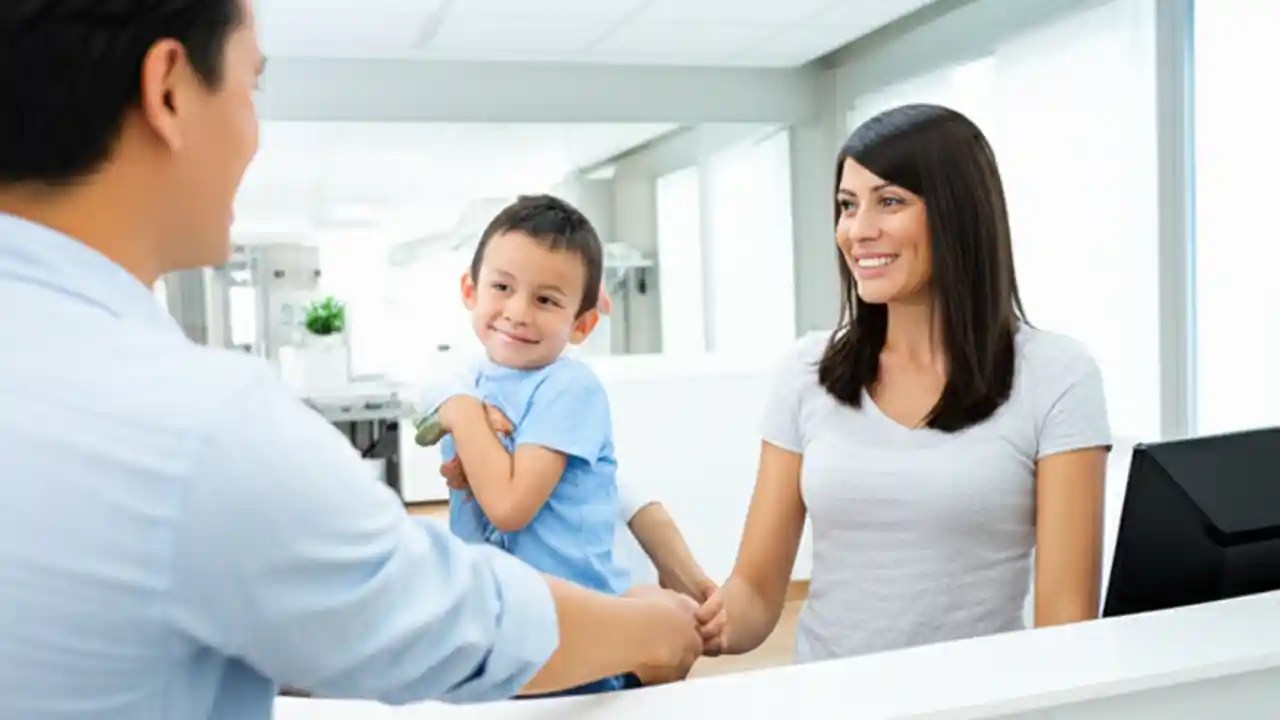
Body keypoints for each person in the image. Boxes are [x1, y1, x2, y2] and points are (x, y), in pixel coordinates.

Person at [0, 2, 702, 719]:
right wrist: (649, 627)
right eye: (252, 88)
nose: (253, 137)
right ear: (171, 90)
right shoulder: (198, 427)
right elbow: (437, 621)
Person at [696, 104, 1111, 663]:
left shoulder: (1056, 374)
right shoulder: (807, 371)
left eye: (889, 201)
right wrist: (695, 626)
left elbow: (1067, 624)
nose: (857, 230)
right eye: (847, 205)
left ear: (959, 214)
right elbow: (755, 591)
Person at [421, 195, 655, 695]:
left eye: (546, 299)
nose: (517, 313)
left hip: (571, 638)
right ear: (470, 289)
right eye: (502, 287)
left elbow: (508, 507)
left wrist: (461, 414)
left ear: (582, 324)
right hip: (491, 626)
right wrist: (460, 409)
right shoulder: (464, 382)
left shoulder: (570, 387)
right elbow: (429, 407)